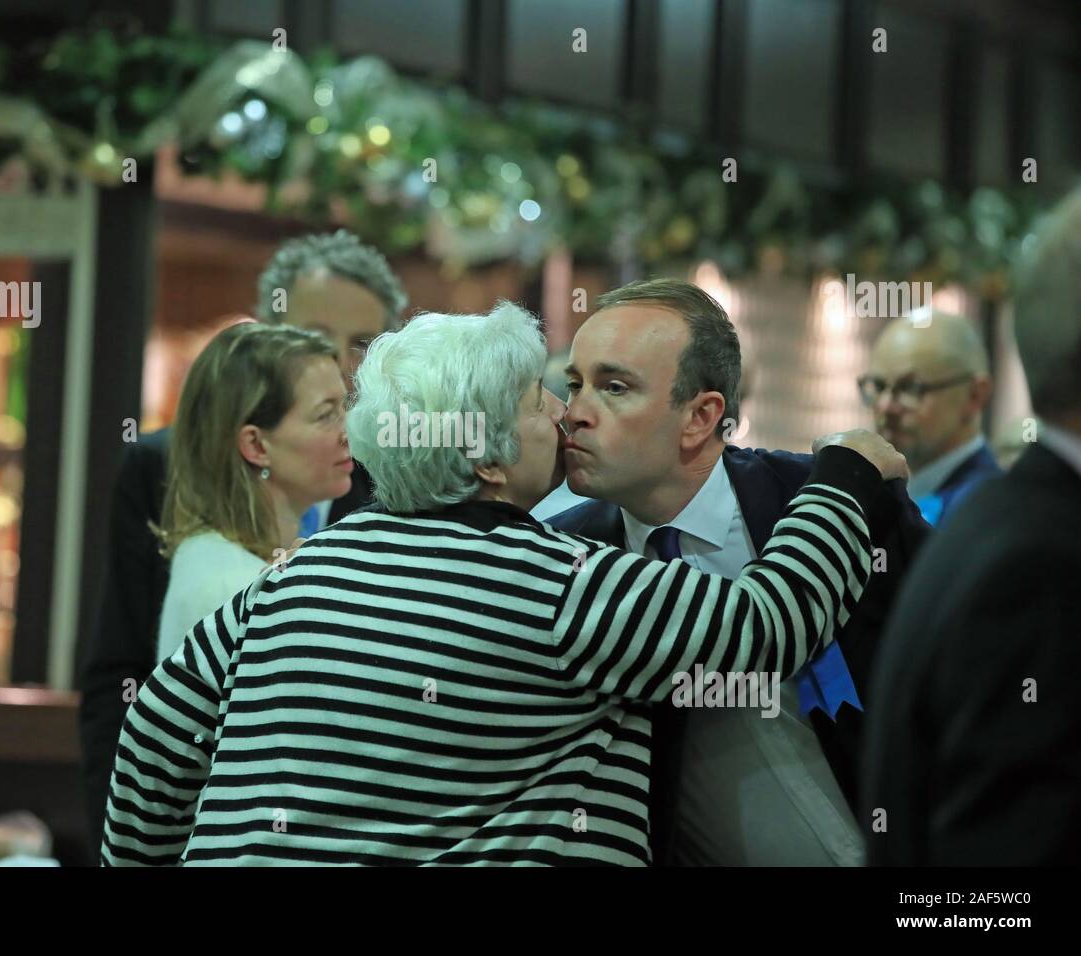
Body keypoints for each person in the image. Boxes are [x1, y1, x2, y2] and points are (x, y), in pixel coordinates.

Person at [100, 301, 905, 866]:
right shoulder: (557, 585)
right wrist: (842, 477)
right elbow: (768, 627)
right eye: (537, 398)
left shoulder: (286, 585)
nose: (563, 413)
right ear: (485, 457)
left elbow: (151, 740)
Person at [549, 279, 928, 866]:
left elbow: (964, 683)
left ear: (701, 416)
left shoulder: (832, 500)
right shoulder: (566, 556)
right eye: (573, 385)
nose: (575, 414)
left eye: (614, 387)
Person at [78, 231, 407, 852]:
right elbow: (121, 674)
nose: (337, 360)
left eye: (361, 343)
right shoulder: (163, 475)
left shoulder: (397, 478)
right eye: (313, 337)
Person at [862, 189, 1081, 865]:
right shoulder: (1043, 563)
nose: (892, 408)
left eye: (914, 388)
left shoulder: (998, 522)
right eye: (881, 388)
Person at [154, 323, 352, 662]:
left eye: (344, 407)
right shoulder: (231, 587)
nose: (348, 430)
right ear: (256, 444)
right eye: (325, 415)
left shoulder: (227, 558)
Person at [860, 309, 1001, 526]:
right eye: (878, 386)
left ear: (975, 395)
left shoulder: (987, 511)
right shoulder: (883, 495)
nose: (885, 405)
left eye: (910, 388)